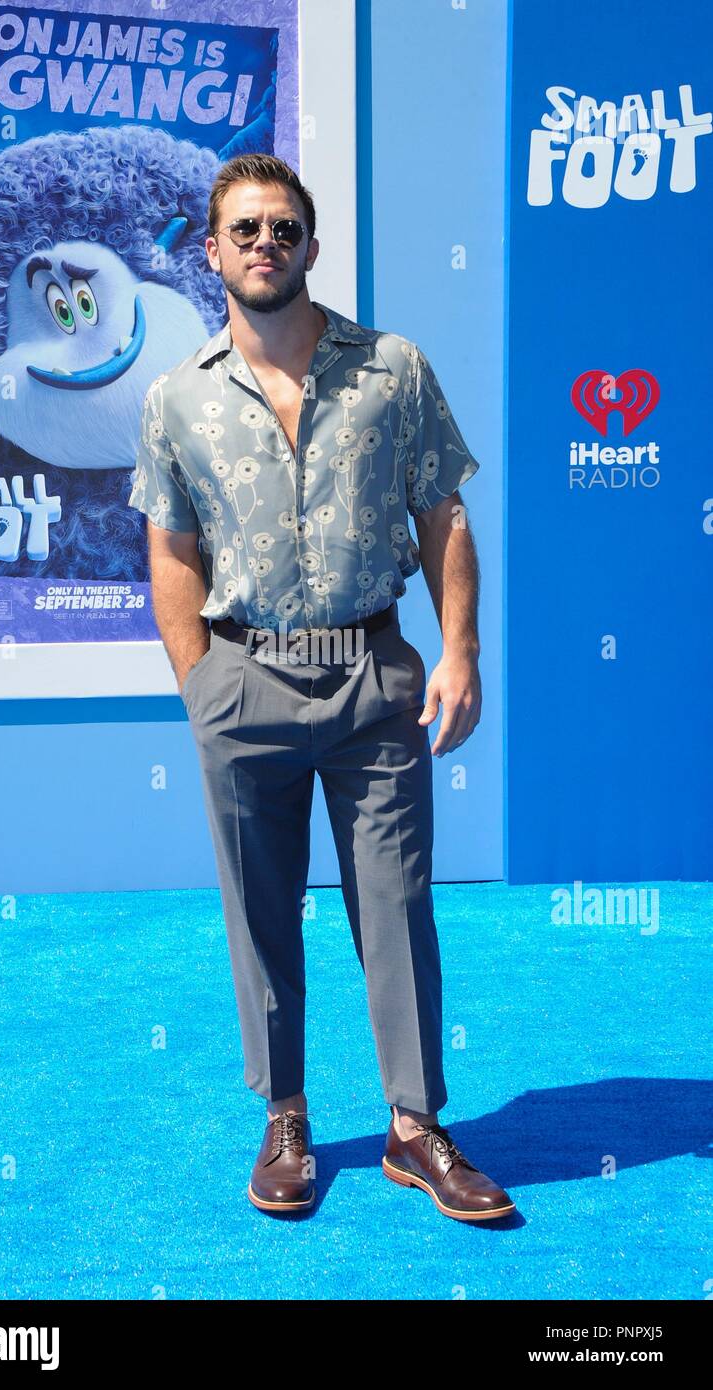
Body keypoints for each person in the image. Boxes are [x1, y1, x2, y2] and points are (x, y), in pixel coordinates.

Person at [127, 153, 515, 1223]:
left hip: (372, 675)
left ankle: (414, 1126)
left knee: (394, 903)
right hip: (240, 677)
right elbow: (170, 550)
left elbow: (442, 515)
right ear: (211, 253)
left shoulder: (392, 368)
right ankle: (285, 1113)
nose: (264, 244)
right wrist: (198, 683)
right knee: (260, 911)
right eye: (243, 229)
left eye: (283, 228)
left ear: (310, 243)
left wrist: (460, 651)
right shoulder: (173, 398)